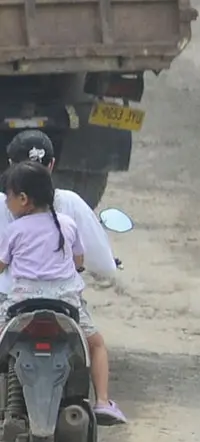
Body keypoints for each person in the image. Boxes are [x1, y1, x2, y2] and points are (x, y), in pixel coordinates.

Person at [0, 132, 121, 422]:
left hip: (17, 302)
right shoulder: (68, 215)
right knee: (96, 344)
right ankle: (103, 401)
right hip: (65, 303)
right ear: (52, 166)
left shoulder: (13, 222)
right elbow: (89, 261)